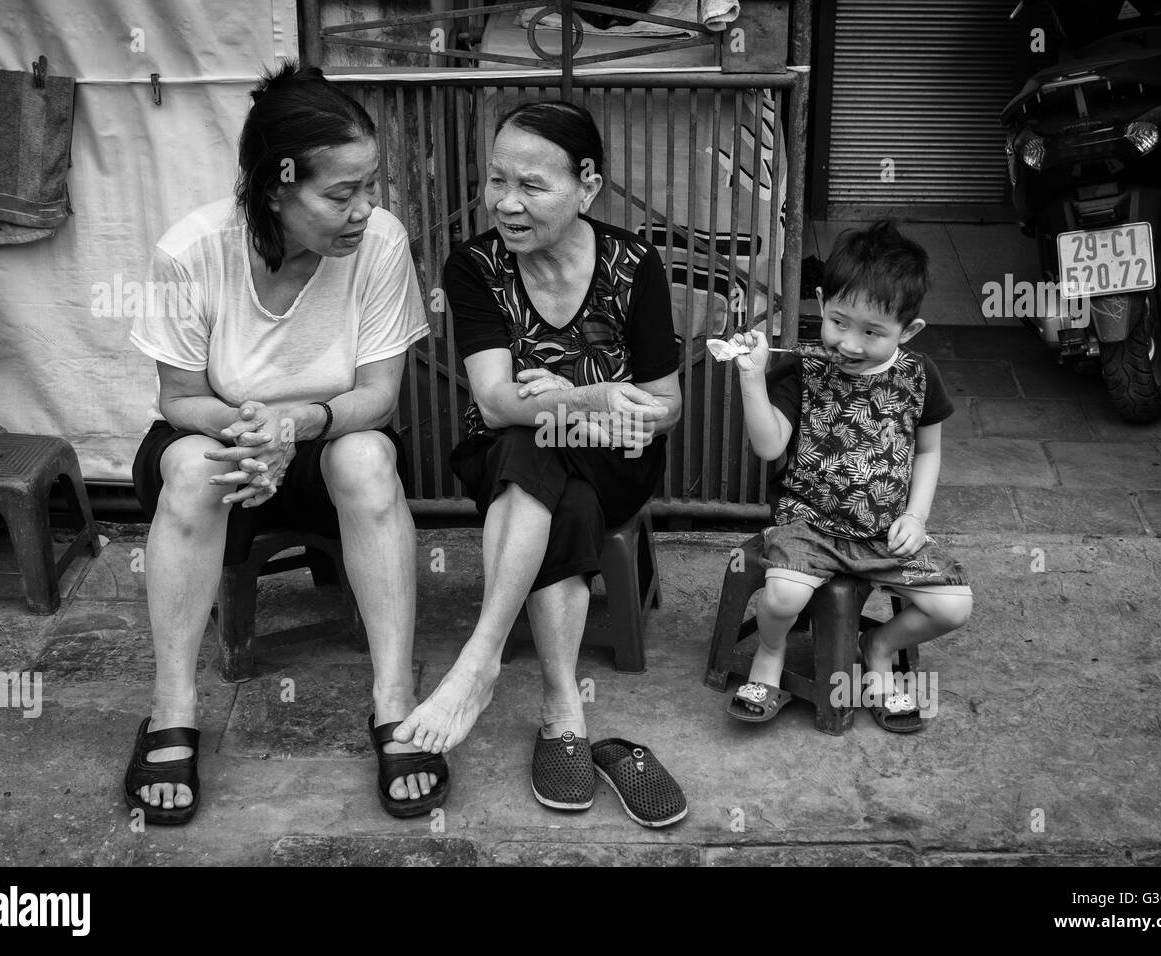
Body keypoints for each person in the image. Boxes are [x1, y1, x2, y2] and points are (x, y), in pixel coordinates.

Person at [125, 62, 442, 822]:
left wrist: (294, 425)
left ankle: (394, 702)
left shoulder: (382, 244)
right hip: (218, 441)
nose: (365, 209)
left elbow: (378, 396)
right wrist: (251, 437)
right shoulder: (189, 252)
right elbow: (177, 398)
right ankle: (173, 710)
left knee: (367, 457)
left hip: (332, 442)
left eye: (372, 186)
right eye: (341, 194)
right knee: (198, 471)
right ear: (275, 186)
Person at [390, 101, 686, 821]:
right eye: (496, 182)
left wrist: (570, 400)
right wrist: (591, 398)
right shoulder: (476, 266)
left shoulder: (634, 263)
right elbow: (494, 404)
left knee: (546, 444)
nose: (506, 203)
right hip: (503, 454)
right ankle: (561, 710)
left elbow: (664, 405)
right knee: (539, 456)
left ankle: (480, 662)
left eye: (530, 185)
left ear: (587, 186)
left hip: (617, 459)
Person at [729, 220, 973, 732]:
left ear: (907, 332)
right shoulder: (803, 368)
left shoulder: (918, 375)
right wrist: (752, 379)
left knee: (954, 605)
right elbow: (768, 444)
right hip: (809, 525)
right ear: (820, 302)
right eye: (839, 322)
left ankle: (877, 648)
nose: (850, 344)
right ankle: (770, 655)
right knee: (782, 596)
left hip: (885, 532)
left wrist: (917, 515)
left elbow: (928, 451)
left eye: (872, 332)